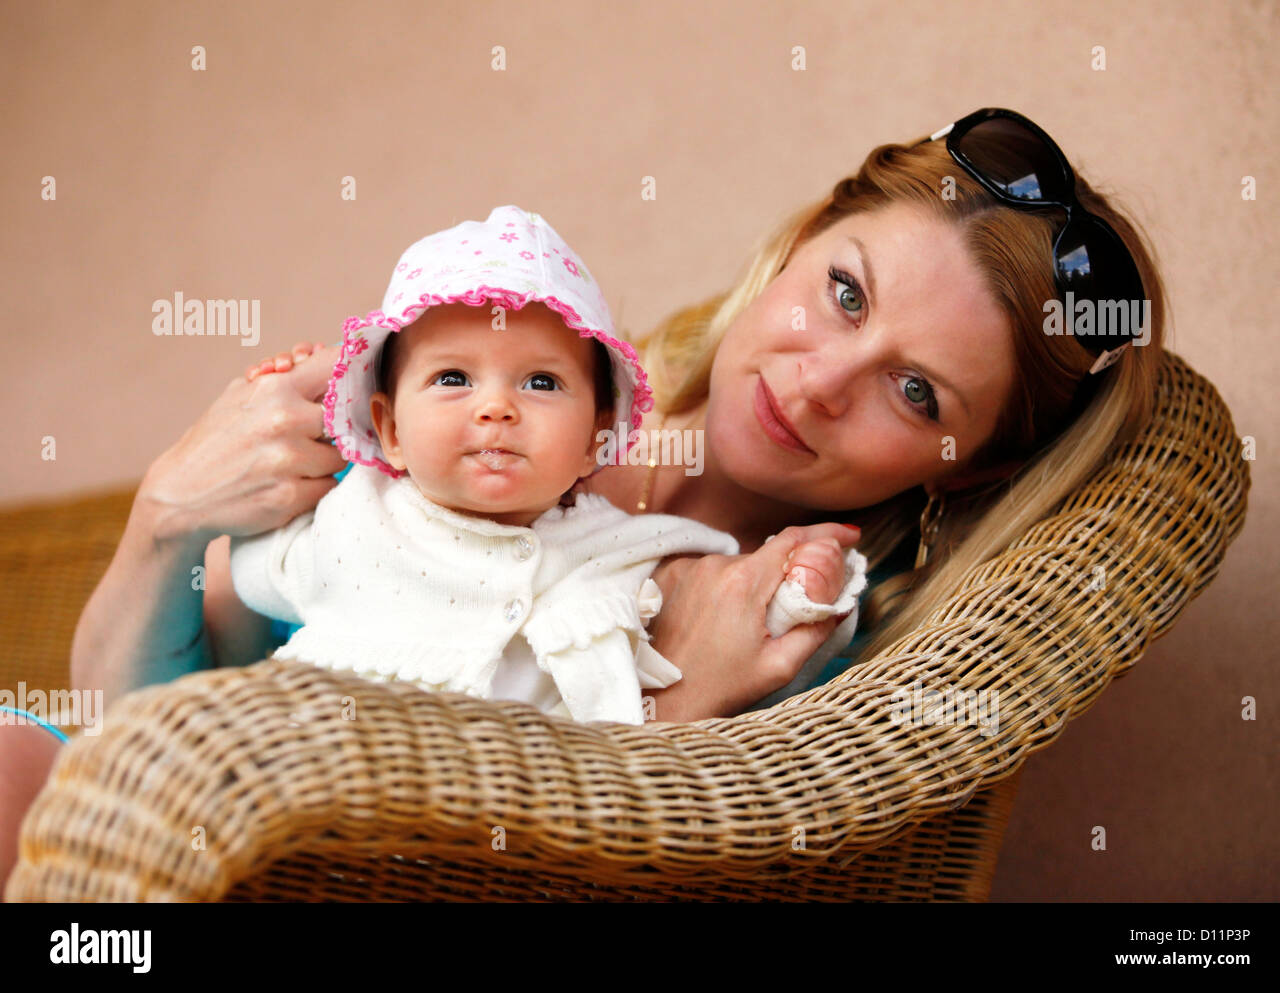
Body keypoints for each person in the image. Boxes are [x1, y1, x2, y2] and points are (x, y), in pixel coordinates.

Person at [2, 108, 1168, 889]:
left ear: (960, 468)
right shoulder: (516, 407)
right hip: (130, 817)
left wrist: (670, 715)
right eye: (845, 292)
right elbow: (128, 726)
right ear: (798, 242)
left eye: (914, 391)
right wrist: (169, 517)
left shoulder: (790, 631)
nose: (817, 383)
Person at [227, 206, 865, 725]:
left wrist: (794, 598)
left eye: (540, 383)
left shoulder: (616, 549)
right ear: (390, 429)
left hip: (493, 823)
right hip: (308, 776)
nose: (497, 407)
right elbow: (244, 578)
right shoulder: (350, 514)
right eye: (454, 377)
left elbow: (725, 596)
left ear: (596, 437)